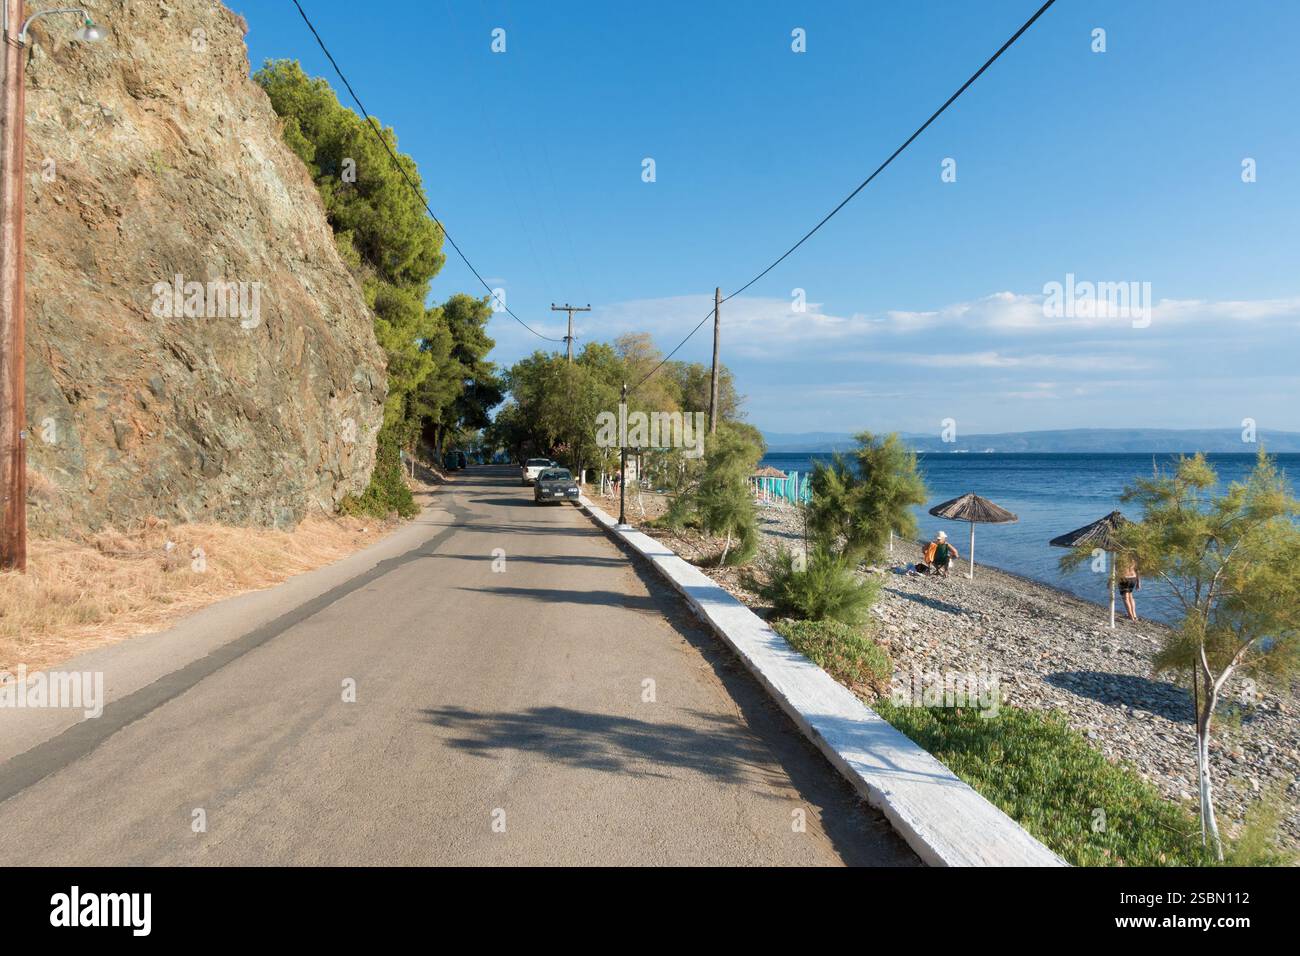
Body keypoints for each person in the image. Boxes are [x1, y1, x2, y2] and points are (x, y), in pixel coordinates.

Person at [1118, 555, 1140, 621]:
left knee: (1125, 598)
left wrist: (1111, 581)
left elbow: (1116, 572)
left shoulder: (1120, 559)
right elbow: (1137, 571)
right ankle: (1134, 615)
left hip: (1124, 578)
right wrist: (1138, 583)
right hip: (1133, 578)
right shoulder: (1133, 559)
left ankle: (1131, 617)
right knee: (1130, 596)